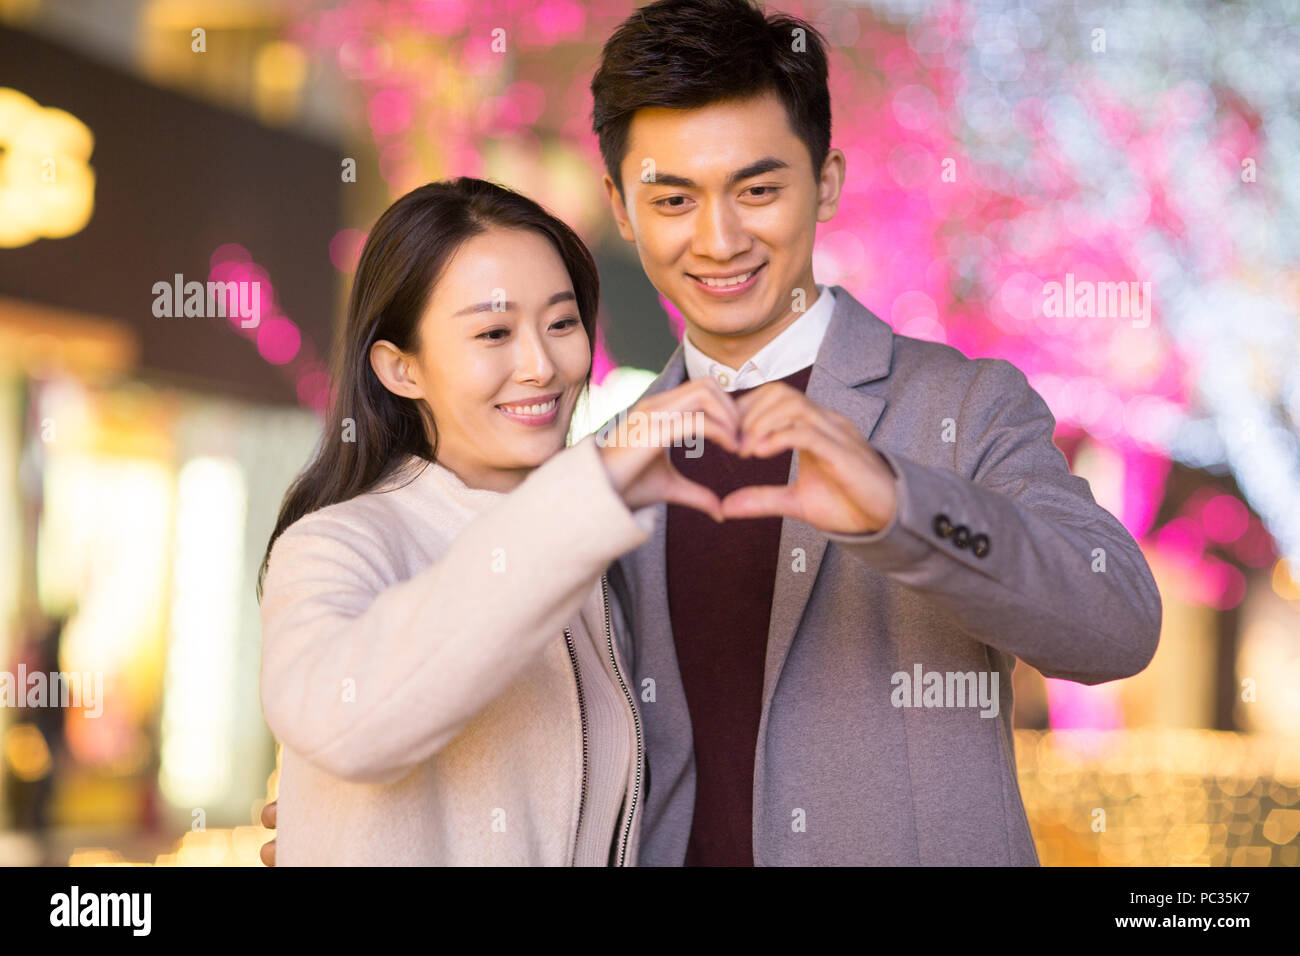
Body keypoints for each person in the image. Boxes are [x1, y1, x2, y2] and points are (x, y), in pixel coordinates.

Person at [264, 0, 1162, 866]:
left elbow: (1115, 620)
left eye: (758, 188)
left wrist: (901, 507)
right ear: (621, 208)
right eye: (674, 199)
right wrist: (359, 826)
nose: (719, 238)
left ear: (828, 184)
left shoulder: (961, 406)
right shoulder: (590, 476)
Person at [256, 176, 740, 865]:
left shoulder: (595, 547)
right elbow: (346, 724)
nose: (542, 366)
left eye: (563, 322)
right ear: (400, 368)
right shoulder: (337, 542)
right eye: (493, 331)